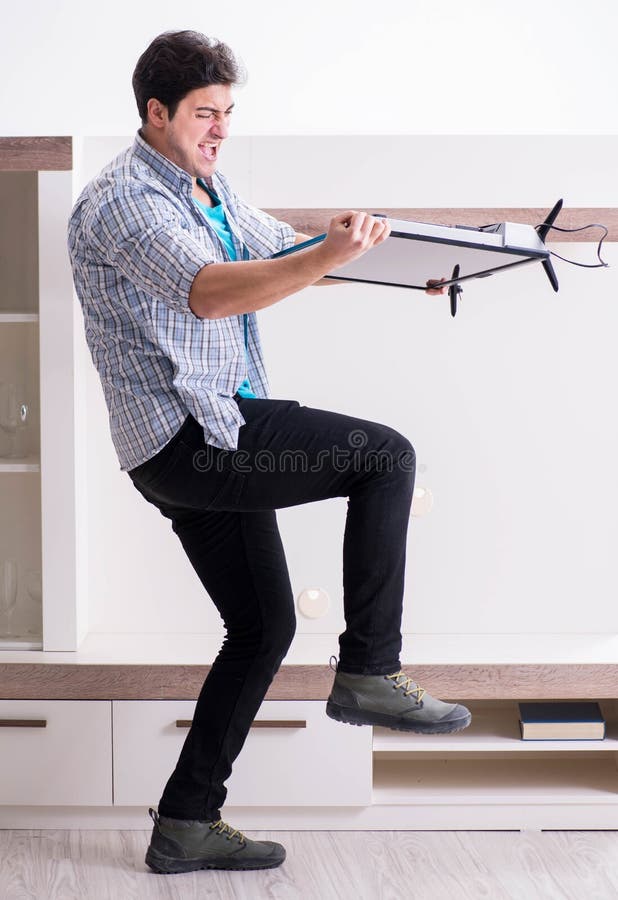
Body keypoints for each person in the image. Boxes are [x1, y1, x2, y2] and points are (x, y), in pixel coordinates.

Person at [68, 29, 472, 875]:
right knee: (386, 458)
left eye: (227, 114)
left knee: (261, 628)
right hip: (197, 441)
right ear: (155, 112)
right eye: (204, 114)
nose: (219, 129)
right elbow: (211, 293)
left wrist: (394, 265)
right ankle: (370, 671)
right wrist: (333, 254)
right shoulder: (125, 203)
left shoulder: (203, 187)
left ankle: (185, 822)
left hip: (200, 440)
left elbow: (275, 252)